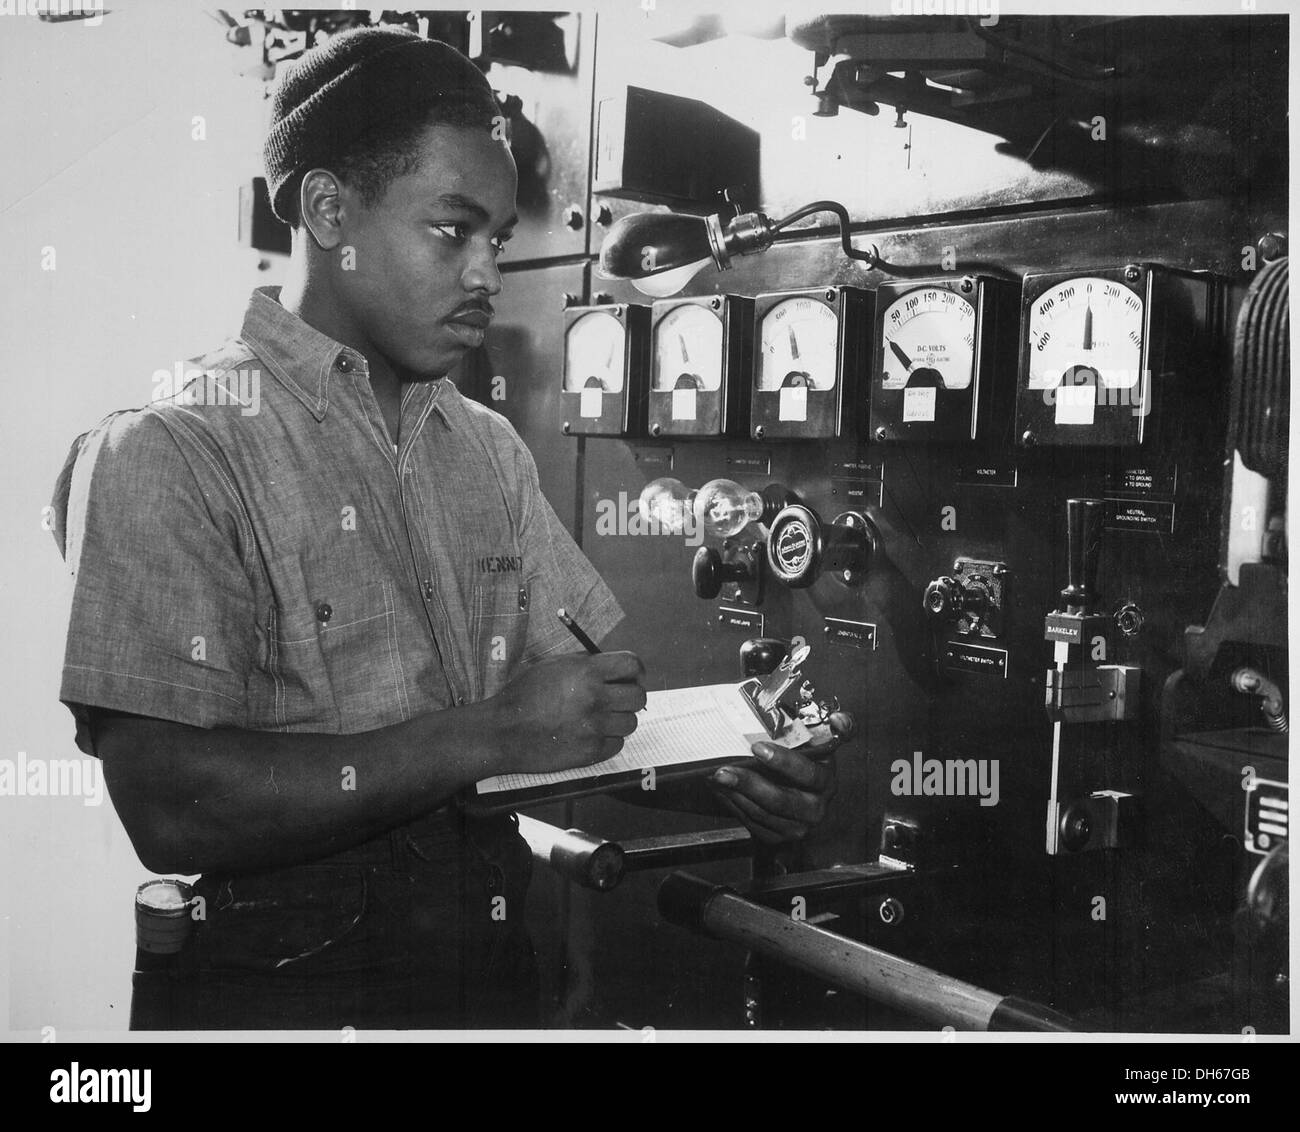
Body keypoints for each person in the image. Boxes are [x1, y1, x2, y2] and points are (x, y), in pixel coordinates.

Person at [51, 26, 838, 1030]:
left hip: (487, 974)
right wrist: (488, 732)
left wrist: (722, 776)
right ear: (329, 210)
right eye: (451, 230)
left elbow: (573, 713)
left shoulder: (488, 448)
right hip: (290, 995)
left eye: (498, 239)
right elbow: (169, 805)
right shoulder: (174, 449)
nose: (486, 274)